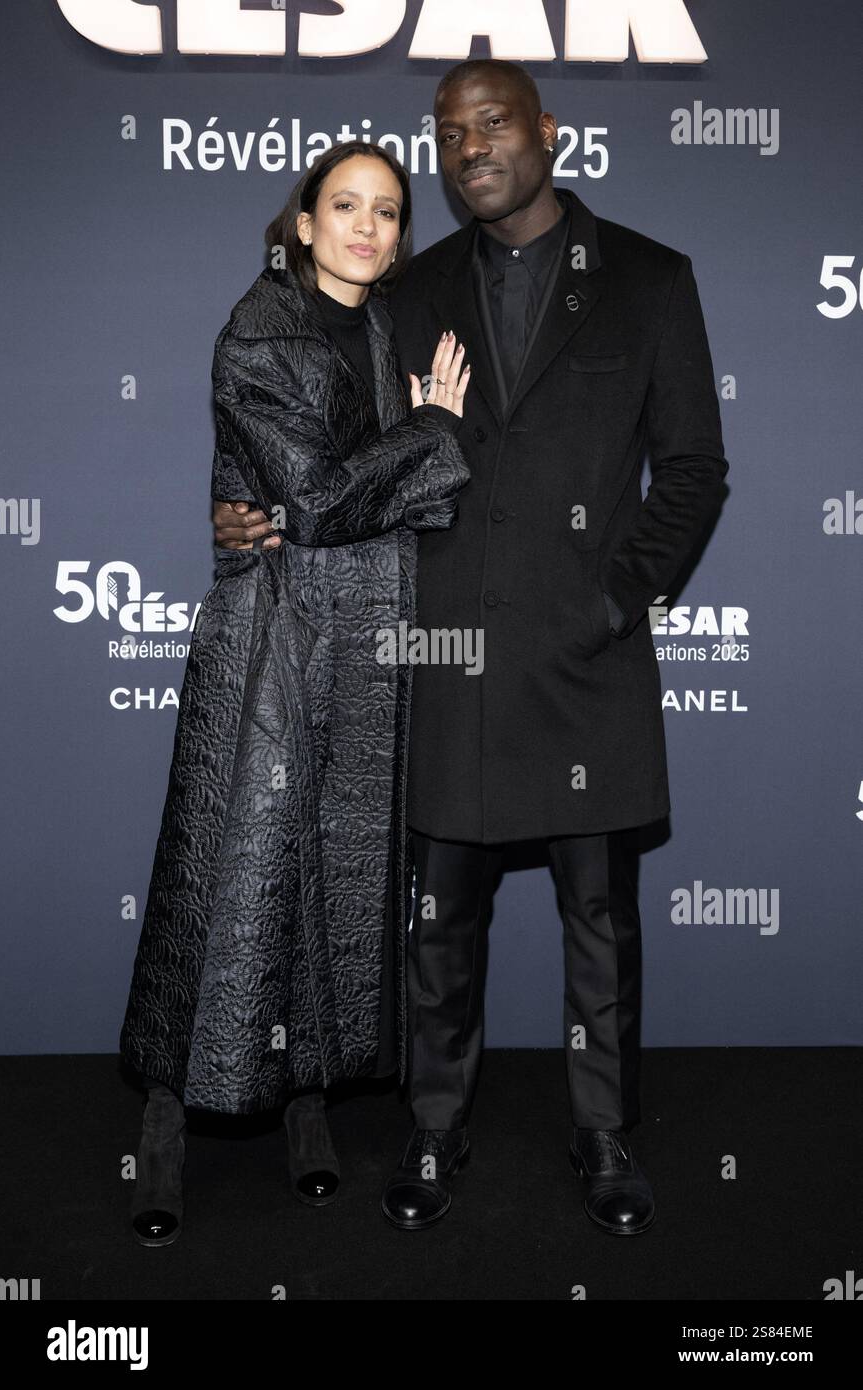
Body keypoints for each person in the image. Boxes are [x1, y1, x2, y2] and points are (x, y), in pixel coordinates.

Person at [214, 60, 730, 1238]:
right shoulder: (410, 286)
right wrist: (246, 507)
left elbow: (693, 469)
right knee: (438, 924)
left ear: (549, 133)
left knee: (599, 922)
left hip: (584, 660)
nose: (469, 147)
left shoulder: (650, 279)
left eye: (492, 123)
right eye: (448, 134)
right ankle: (434, 1122)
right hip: (443, 655)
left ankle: (601, 1130)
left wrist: (613, 602)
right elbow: (326, 451)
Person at [119, 139, 471, 1246]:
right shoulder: (256, 334)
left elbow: (403, 507)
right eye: (344, 206)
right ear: (303, 222)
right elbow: (315, 499)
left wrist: (407, 469)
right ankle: (162, 1135)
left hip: (362, 645)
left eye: (386, 211)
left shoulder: (379, 331)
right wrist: (430, 437)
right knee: (229, 887)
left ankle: (305, 1111)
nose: (366, 227)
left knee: (331, 889)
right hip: (269, 642)